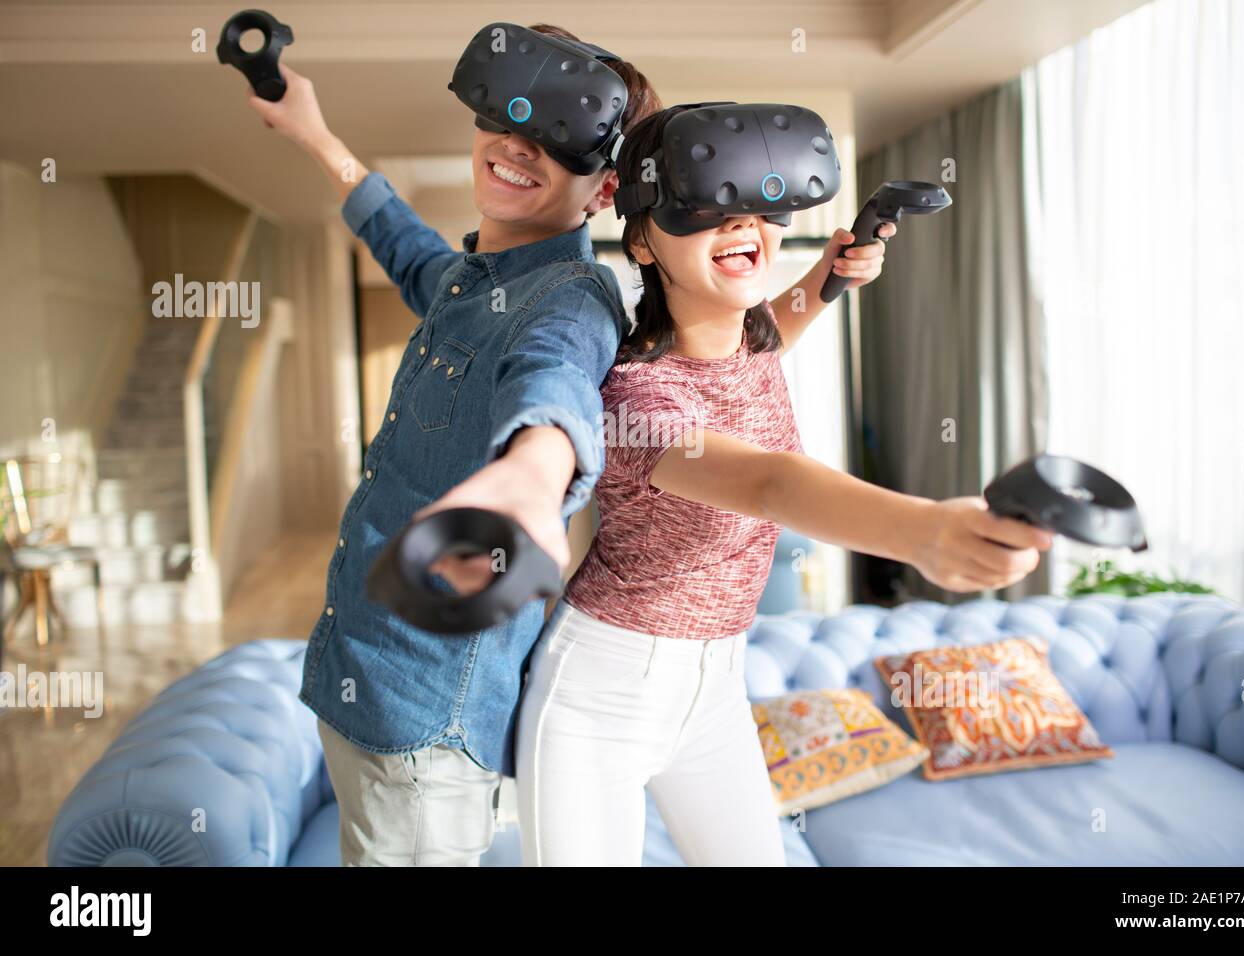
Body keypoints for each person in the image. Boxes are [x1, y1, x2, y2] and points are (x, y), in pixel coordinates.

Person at [513, 105, 1055, 866]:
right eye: (706, 207)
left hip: (715, 690)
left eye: (760, 208)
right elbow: (769, 483)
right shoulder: (637, 400)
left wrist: (837, 264)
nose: (743, 226)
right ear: (641, 237)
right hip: (601, 693)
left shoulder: (752, 340)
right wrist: (924, 531)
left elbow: (781, 320)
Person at [243, 23, 661, 866]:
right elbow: (405, 247)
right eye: (509, 118)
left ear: (605, 186)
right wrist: (317, 135)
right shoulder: (472, 282)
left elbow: (557, 386)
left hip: (421, 720)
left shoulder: (571, 299)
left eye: (558, 137)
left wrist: (530, 481)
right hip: (357, 677)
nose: (516, 146)